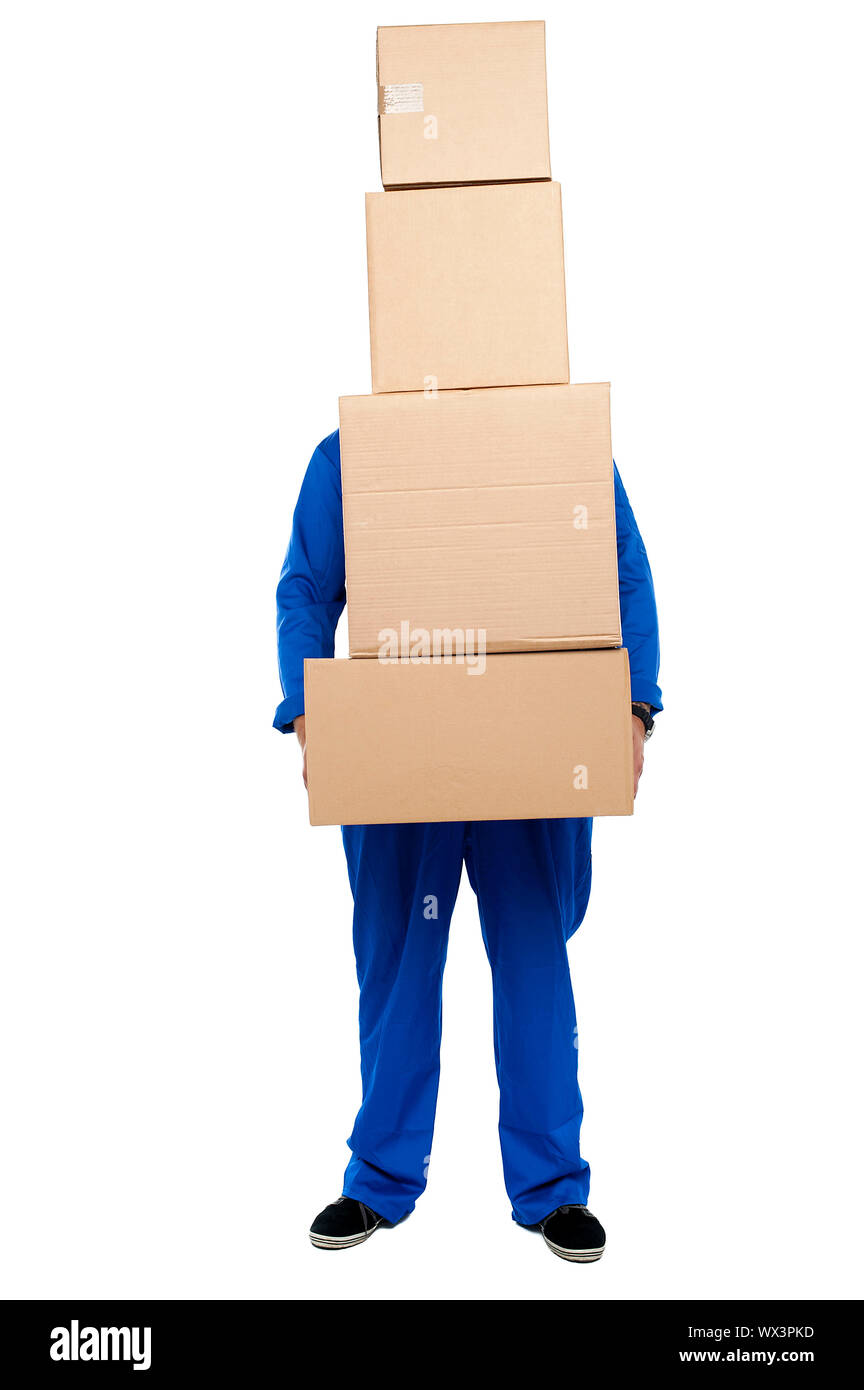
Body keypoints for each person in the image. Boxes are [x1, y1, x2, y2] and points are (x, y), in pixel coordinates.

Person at [274, 429, 662, 1262]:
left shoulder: (558, 439)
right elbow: (306, 584)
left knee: (533, 958)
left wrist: (633, 703)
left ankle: (554, 1190)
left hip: (528, 728)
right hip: (400, 734)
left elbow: (621, 569)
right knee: (394, 962)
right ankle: (377, 1178)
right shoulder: (355, 456)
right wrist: (309, 708)